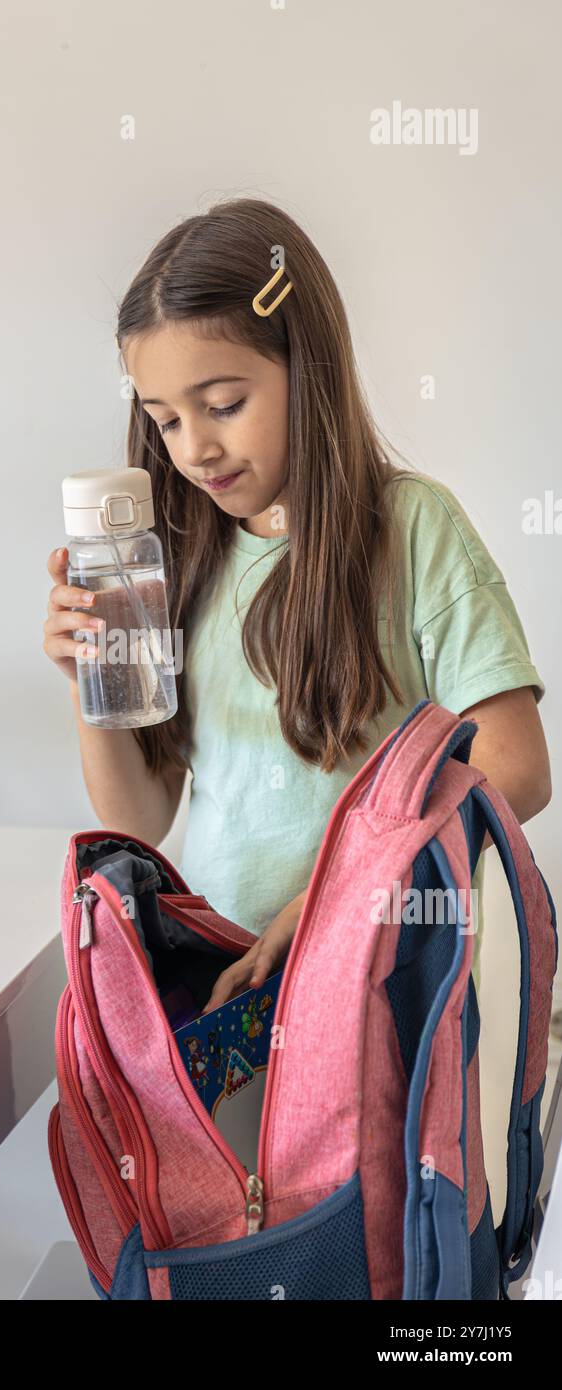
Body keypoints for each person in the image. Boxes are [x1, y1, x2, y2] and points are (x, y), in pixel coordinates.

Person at [42, 197, 550, 1006]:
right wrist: (89, 687)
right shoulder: (179, 557)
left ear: (305, 368)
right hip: (226, 982)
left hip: (374, 988)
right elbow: (140, 818)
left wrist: (328, 901)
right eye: (165, 419)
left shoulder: (412, 528)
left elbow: (515, 771)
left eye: (223, 405)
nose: (194, 449)